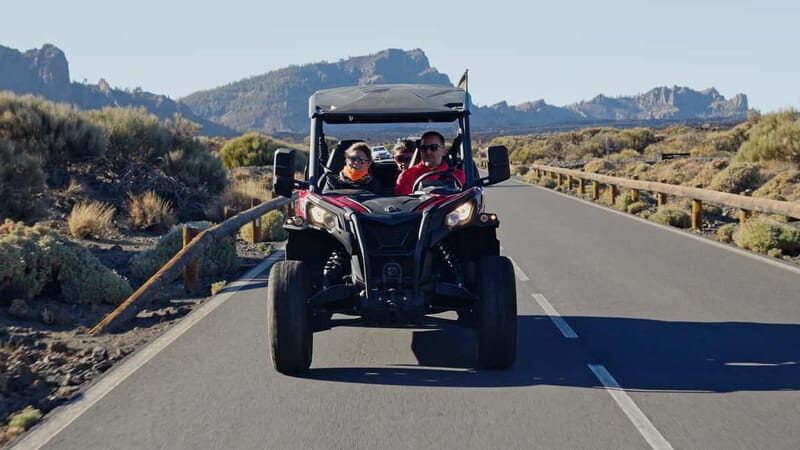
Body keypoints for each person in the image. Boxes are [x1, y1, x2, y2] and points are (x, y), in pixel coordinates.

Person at [394, 131, 466, 195]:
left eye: (433, 147)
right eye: (424, 148)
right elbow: (404, 205)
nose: (428, 152)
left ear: (444, 151)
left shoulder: (458, 176)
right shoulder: (407, 176)